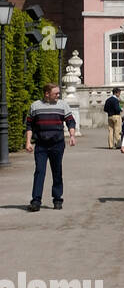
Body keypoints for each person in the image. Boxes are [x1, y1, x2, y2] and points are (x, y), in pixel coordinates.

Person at [24, 83, 78, 212]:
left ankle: (57, 199)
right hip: (41, 145)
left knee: (57, 171)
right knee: (39, 172)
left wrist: (72, 135)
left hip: (57, 144)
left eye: (59, 93)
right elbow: (29, 125)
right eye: (56, 93)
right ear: (47, 94)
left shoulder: (62, 105)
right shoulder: (35, 106)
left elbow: (70, 121)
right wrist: (28, 142)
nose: (58, 95)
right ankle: (36, 201)